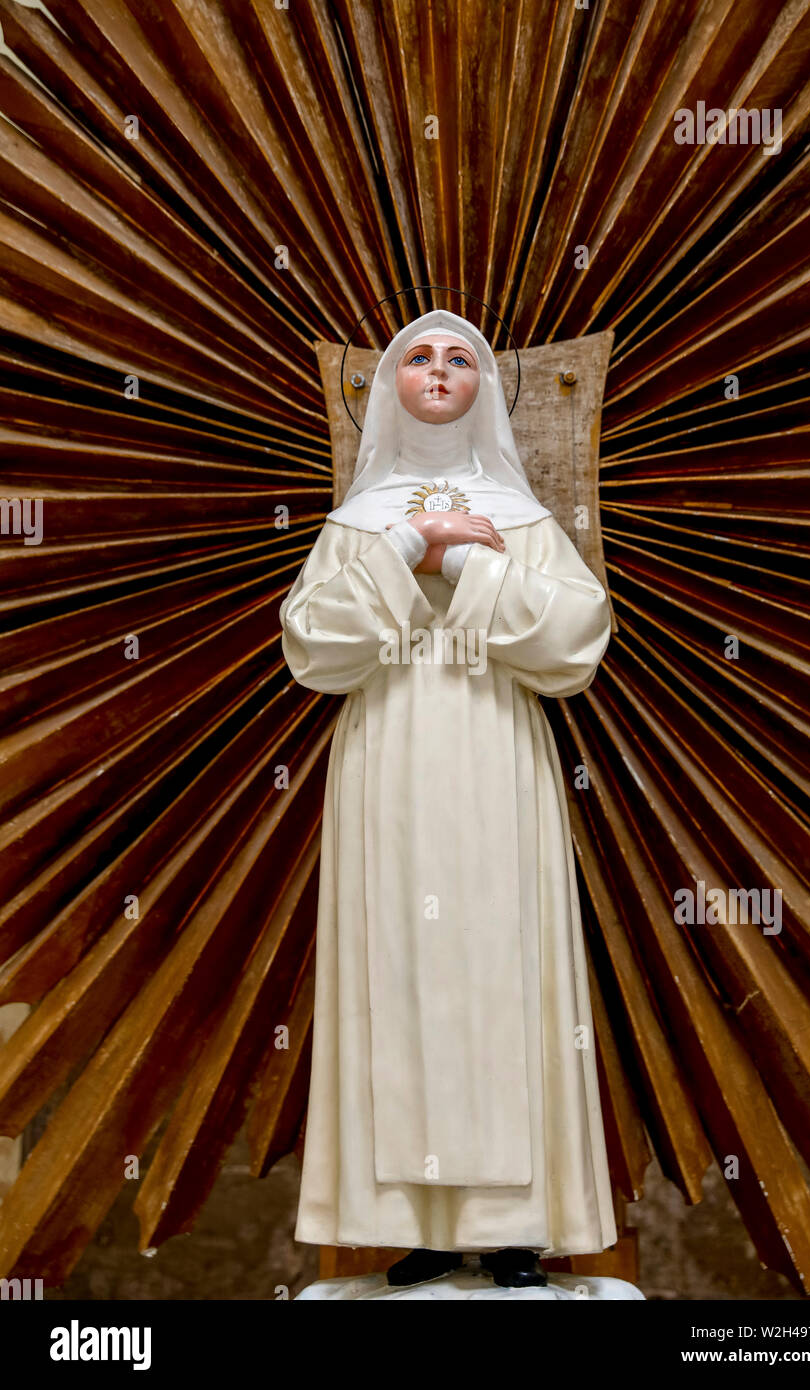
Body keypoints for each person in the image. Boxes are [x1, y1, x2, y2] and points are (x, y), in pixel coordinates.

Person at [279, 308, 617, 1288]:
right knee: (399, 972)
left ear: (482, 386)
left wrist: (466, 561)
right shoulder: (356, 522)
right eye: (416, 357)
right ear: (387, 386)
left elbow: (572, 644)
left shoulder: (520, 520)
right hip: (386, 762)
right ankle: (418, 1224)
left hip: (494, 759)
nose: (435, 369)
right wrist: (404, 548)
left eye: (456, 356)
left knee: (500, 977)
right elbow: (311, 646)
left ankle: (515, 1226)